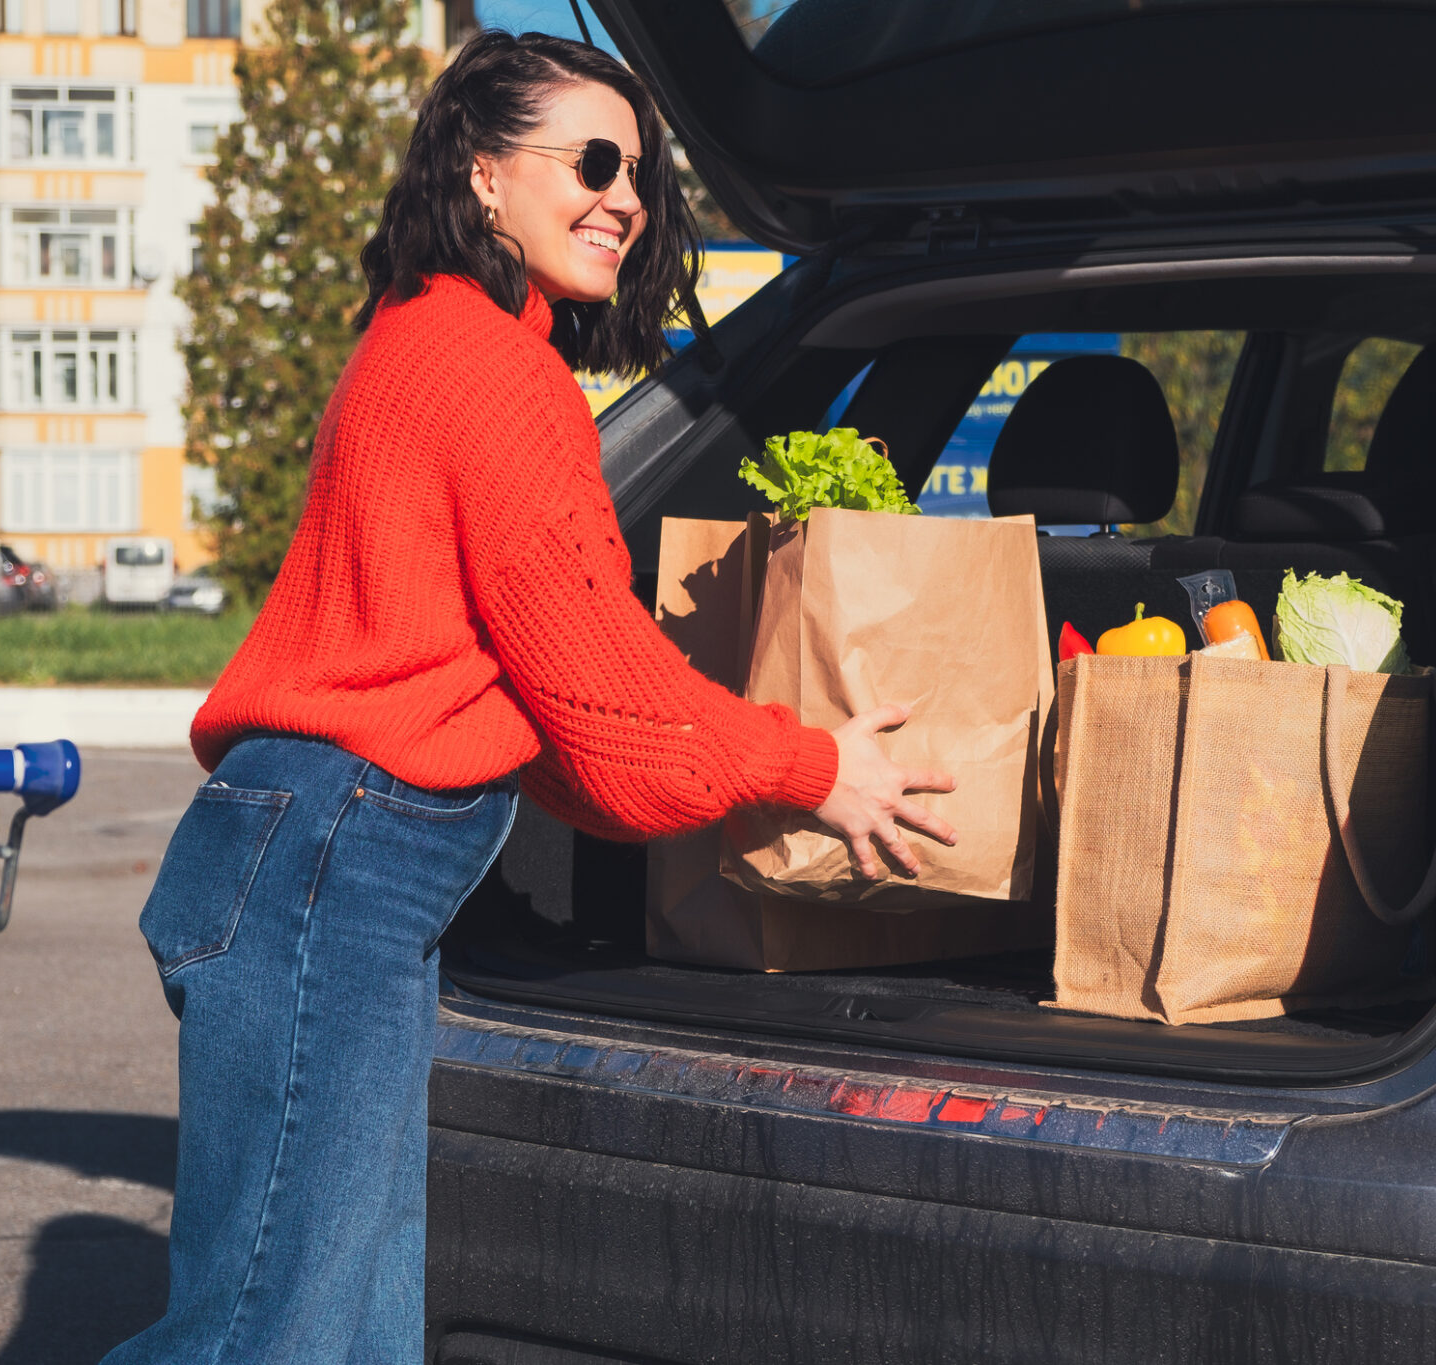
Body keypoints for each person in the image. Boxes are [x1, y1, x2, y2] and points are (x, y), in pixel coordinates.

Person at [101, 29, 956, 1365]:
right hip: (335, 864)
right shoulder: (491, 369)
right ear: (484, 173)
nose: (628, 197)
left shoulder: (423, 339)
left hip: (320, 861)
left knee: (353, 1326)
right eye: (595, 160)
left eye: (642, 174)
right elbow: (610, 698)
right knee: (268, 1333)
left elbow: (531, 695)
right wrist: (813, 767)